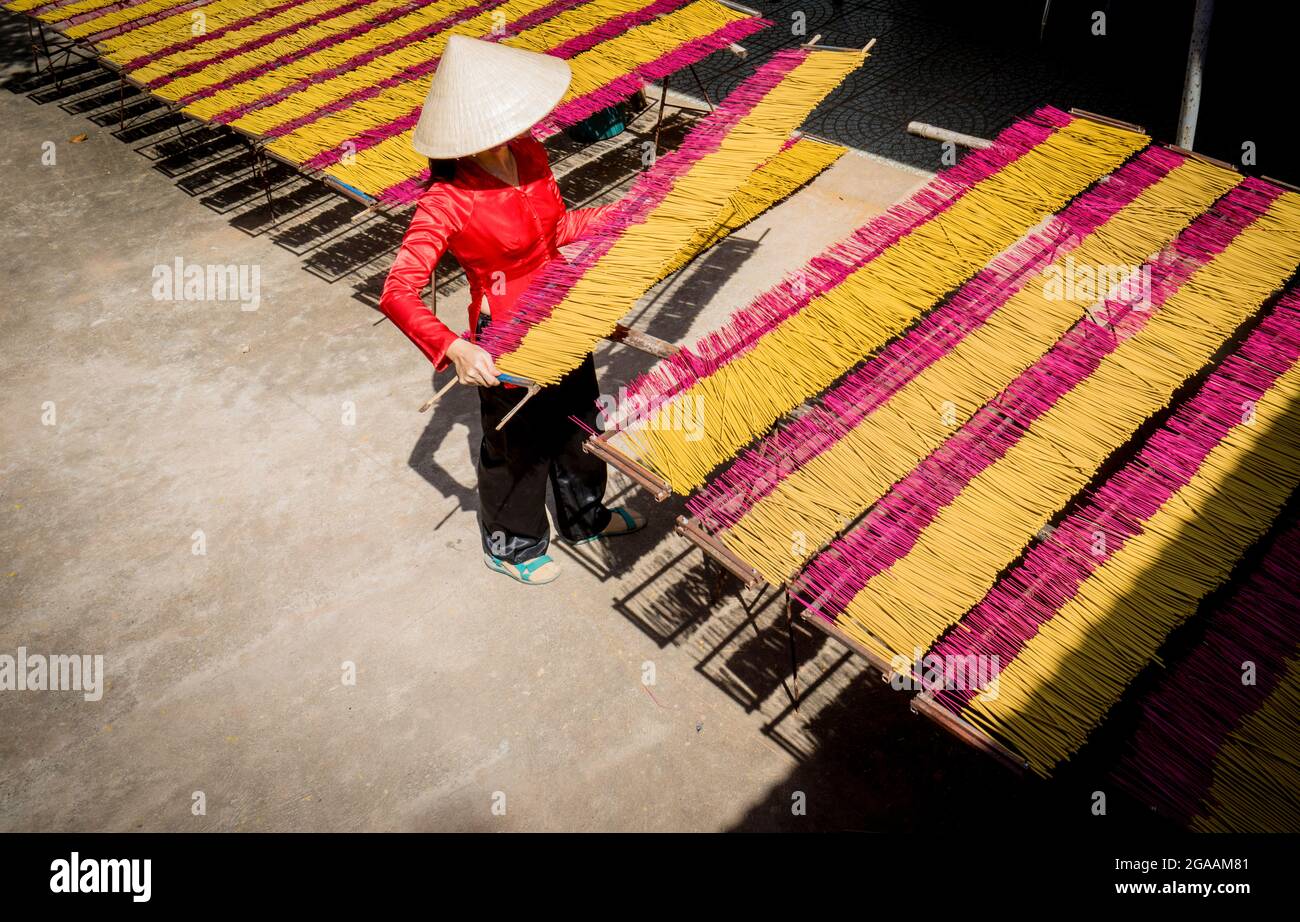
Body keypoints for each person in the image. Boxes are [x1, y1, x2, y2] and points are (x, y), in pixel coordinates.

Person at [379, 35, 644, 586]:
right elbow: (397, 291)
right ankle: (512, 543)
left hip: (565, 310)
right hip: (506, 335)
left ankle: (584, 516)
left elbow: (557, 229)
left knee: (580, 421)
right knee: (518, 445)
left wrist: (621, 214)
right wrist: (454, 347)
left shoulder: (529, 152)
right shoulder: (445, 201)